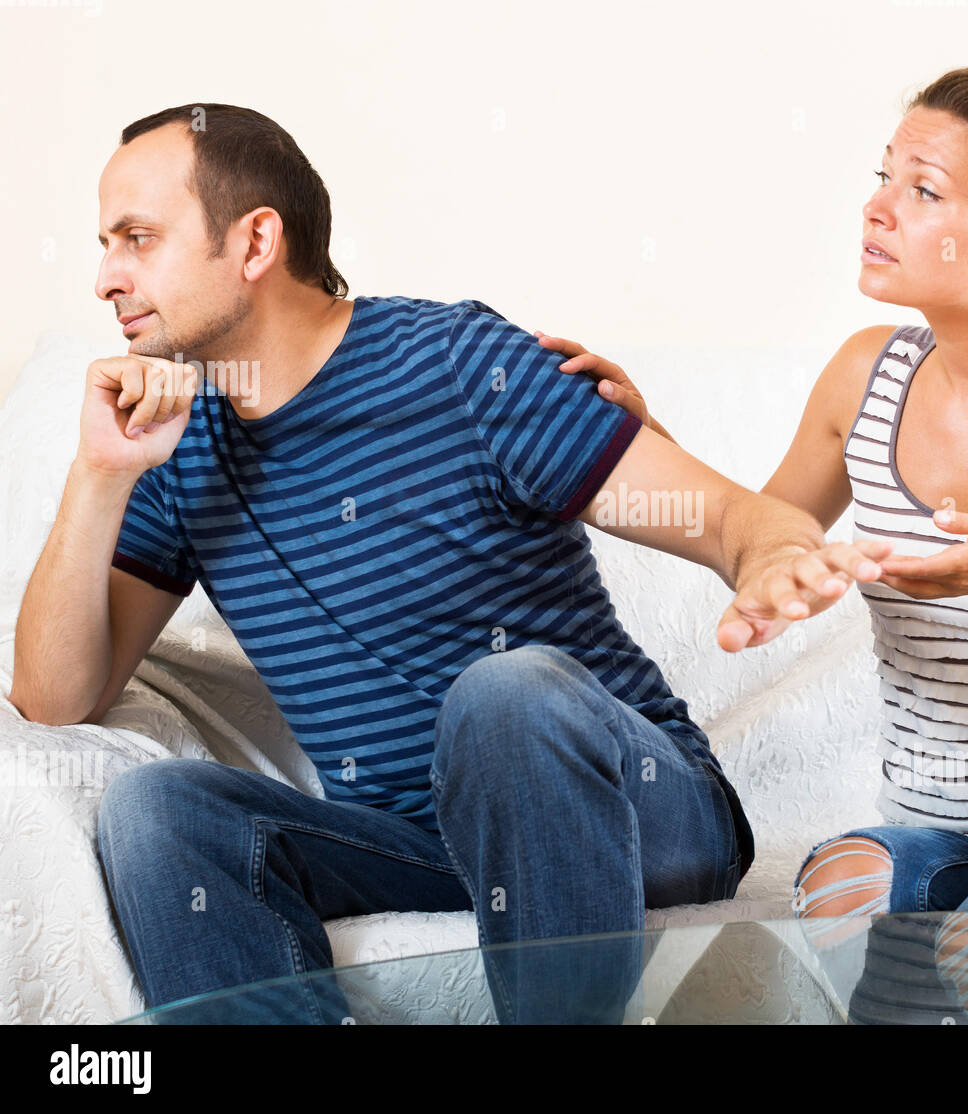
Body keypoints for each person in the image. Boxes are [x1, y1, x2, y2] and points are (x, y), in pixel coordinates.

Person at [6, 103, 894, 1024]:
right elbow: (53, 698)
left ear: (255, 241)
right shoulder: (177, 446)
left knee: (505, 693)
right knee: (159, 810)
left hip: (637, 813)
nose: (108, 277)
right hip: (422, 843)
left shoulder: (462, 367)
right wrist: (100, 471)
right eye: (106, 245)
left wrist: (773, 554)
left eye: (137, 239)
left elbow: (721, 519)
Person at [535, 66, 968, 1023]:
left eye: (923, 190)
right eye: (883, 176)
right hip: (946, 828)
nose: (876, 208)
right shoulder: (867, 374)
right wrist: (642, 433)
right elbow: (760, 536)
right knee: (838, 885)